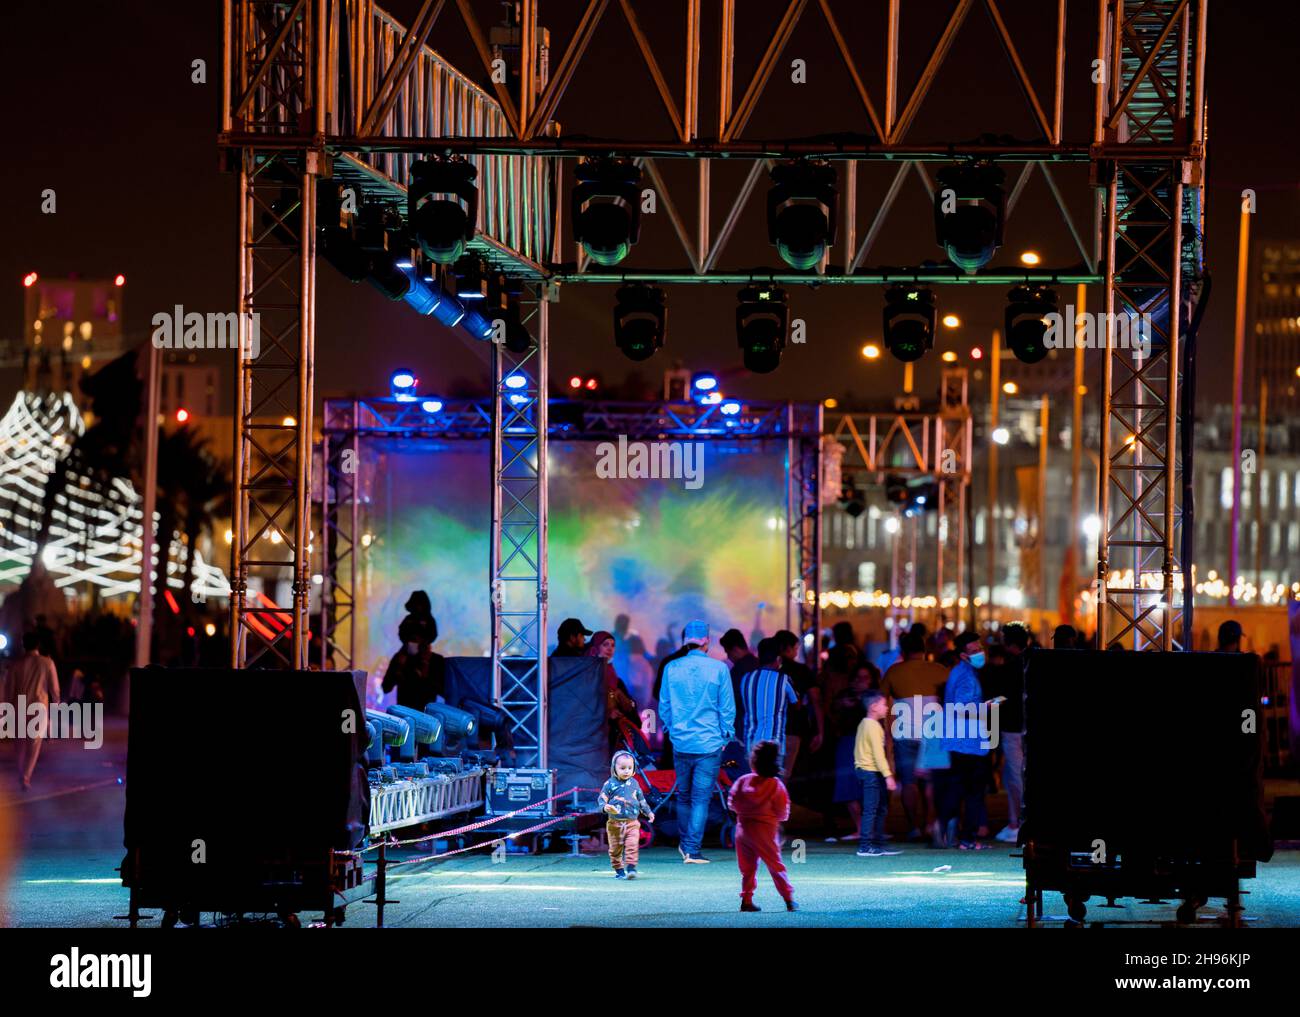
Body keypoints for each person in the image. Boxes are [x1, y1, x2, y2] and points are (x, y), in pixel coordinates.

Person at [658, 620, 735, 863]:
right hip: (709, 743)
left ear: (685, 640)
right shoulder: (719, 669)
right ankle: (692, 849)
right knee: (701, 798)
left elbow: (664, 706)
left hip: (680, 742)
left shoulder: (671, 668)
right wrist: (725, 735)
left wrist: (672, 730)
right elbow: (727, 708)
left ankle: (685, 844)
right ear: (707, 641)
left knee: (683, 795)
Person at [880, 630, 949, 841]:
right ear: (924, 649)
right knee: (930, 782)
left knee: (909, 782)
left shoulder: (893, 672)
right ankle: (931, 823)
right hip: (934, 732)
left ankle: (913, 827)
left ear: (902, 650)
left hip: (905, 733)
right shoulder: (939, 670)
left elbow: (881, 702)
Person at [728, 740, 797, 912]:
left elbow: (732, 803)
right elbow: (783, 813)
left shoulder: (743, 781)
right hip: (765, 833)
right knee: (776, 866)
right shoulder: (775, 785)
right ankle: (789, 899)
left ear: (753, 761)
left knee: (748, 869)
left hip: (742, 832)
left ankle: (746, 900)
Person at [942, 631, 993, 850]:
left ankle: (949, 834)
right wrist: (987, 707)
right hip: (969, 742)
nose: (980, 653)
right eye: (974, 651)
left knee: (957, 790)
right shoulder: (967, 676)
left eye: (980, 648)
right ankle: (967, 838)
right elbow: (962, 708)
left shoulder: (959, 672)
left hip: (959, 741)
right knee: (973, 792)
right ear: (963, 655)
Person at [988, 621, 1029, 843]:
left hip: (1013, 728)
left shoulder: (1011, 667)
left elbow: (1003, 697)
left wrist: (987, 705)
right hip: (1028, 726)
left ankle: (1018, 823)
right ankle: (1016, 822)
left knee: (1014, 776)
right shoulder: (1033, 661)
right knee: (1016, 775)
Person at [5, 632, 60, 791]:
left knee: (20, 746)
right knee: (34, 746)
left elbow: (9, 690)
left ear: (23, 645)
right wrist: (55, 705)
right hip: (39, 708)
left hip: (19, 708)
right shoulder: (47, 663)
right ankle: (26, 776)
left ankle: (22, 773)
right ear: (38, 645)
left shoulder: (15, 665)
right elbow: (54, 689)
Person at [829, 663, 877, 841]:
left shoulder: (874, 698)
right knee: (848, 786)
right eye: (857, 677)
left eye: (865, 678)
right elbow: (833, 714)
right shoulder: (844, 697)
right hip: (848, 742)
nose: (860, 682)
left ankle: (871, 829)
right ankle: (860, 828)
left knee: (869, 786)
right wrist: (842, 704)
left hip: (868, 744)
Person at [854, 692, 900, 857]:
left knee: (880, 808)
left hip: (868, 771)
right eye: (883, 704)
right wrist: (888, 775)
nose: (887, 707)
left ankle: (879, 843)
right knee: (871, 809)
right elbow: (878, 754)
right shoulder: (873, 726)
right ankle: (865, 846)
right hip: (871, 772)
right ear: (873, 707)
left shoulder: (864, 724)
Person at [597, 749, 655, 879]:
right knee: (615, 849)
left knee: (632, 844)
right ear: (614, 768)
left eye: (629, 768)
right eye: (622, 768)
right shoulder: (609, 784)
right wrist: (605, 807)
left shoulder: (635, 783)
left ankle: (631, 868)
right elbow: (602, 799)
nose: (626, 771)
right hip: (614, 823)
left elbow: (641, 799)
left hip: (632, 822)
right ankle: (619, 870)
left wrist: (648, 812)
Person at [737, 637, 797, 763]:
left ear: (759, 657)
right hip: (774, 746)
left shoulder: (746, 679)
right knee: (772, 782)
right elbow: (796, 704)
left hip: (751, 746)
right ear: (778, 658)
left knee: (753, 781)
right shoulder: (784, 679)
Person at [773, 629, 822, 780]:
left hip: (771, 728)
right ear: (788, 648)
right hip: (794, 728)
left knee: (770, 774)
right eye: (795, 648)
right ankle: (781, 802)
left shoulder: (769, 671)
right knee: (785, 775)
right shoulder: (801, 671)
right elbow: (816, 701)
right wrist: (820, 731)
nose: (796, 652)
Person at [587, 630, 640, 749]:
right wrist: (607, 713)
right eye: (605, 644)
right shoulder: (588, 673)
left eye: (612, 645)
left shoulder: (612, 674)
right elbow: (585, 704)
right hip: (592, 735)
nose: (610, 648)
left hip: (611, 731)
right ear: (596, 648)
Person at [381, 615, 446, 711]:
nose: (410, 643)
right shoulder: (400, 658)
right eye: (408, 639)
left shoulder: (436, 660)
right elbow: (386, 687)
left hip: (427, 718)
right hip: (404, 717)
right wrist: (398, 667)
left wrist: (425, 665)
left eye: (415, 639)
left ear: (425, 641)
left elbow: (443, 691)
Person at [720, 628, 759, 738]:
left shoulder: (738, 671)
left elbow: (731, 699)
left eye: (728, 652)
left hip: (742, 726)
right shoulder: (759, 665)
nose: (728, 657)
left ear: (736, 649)